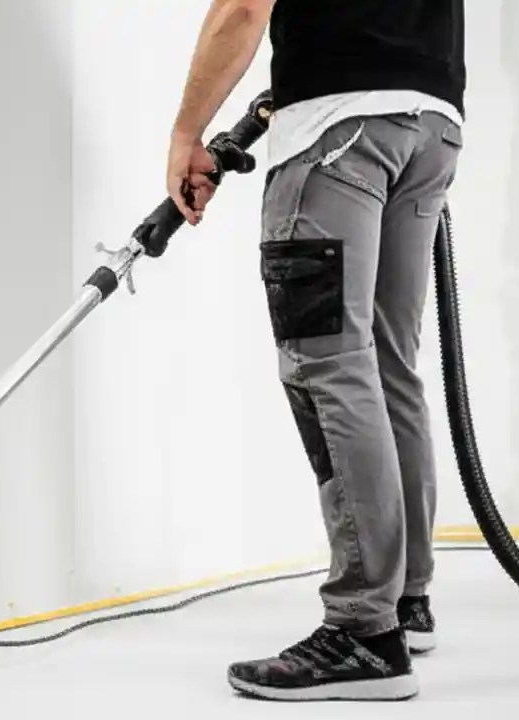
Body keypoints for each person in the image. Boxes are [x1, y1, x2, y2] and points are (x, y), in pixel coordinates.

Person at [165, 0, 466, 702]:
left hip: (340, 131)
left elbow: (242, 9)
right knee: (388, 363)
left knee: (327, 363)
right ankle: (406, 598)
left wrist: (188, 132)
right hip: (433, 123)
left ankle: (365, 631)